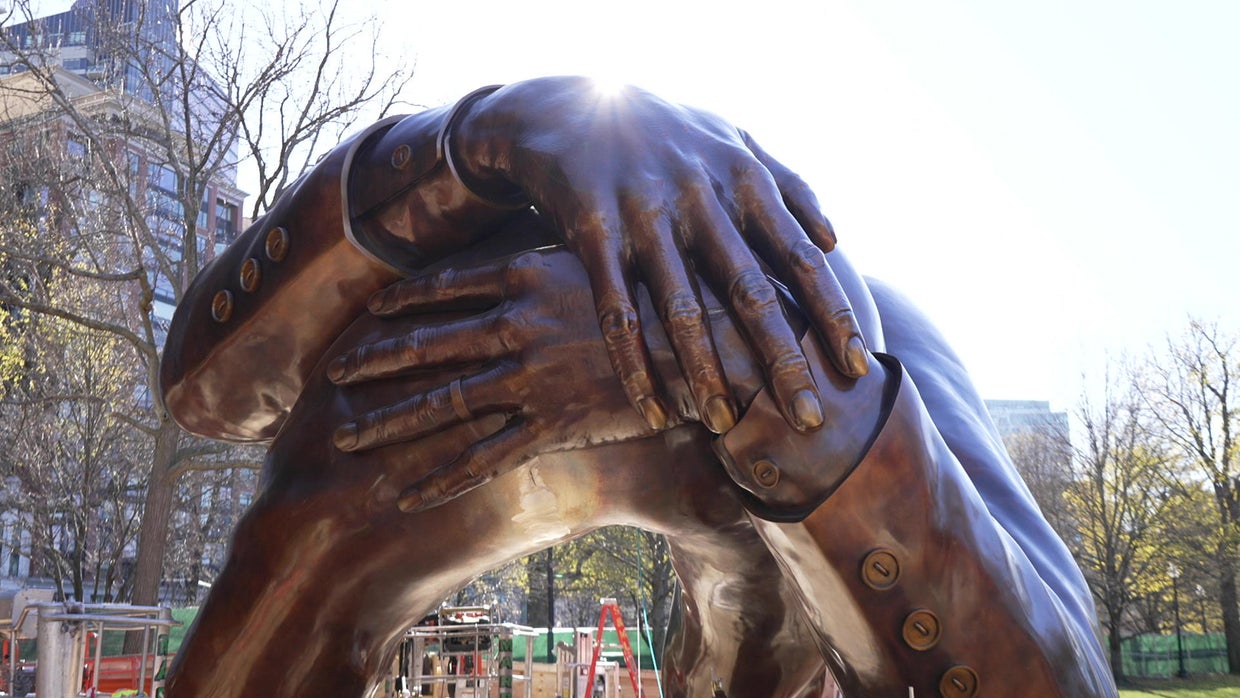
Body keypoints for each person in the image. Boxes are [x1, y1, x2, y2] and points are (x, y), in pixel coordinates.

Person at [161, 78, 1118, 697]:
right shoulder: (444, 294)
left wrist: (733, 367)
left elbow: (1063, 679)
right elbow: (209, 391)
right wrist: (483, 133)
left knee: (340, 495)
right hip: (507, 372)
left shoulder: (863, 329)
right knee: (345, 480)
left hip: (798, 409)